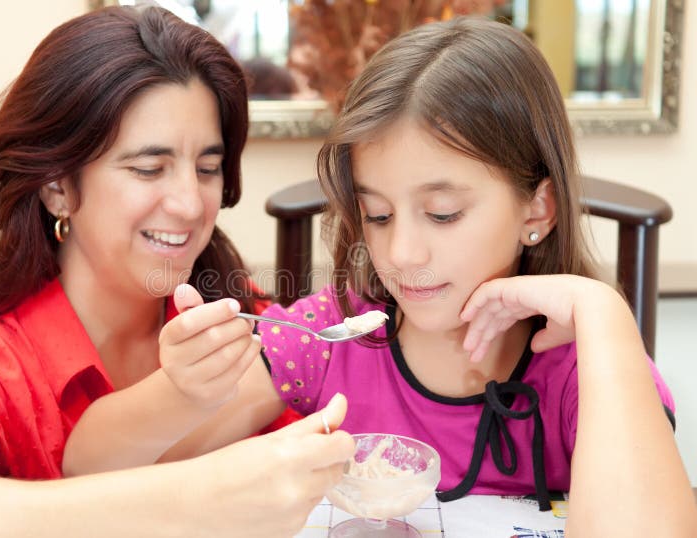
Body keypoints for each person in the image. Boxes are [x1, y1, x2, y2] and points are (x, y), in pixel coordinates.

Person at [63, 17, 696, 536]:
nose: (402, 252)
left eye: (443, 213)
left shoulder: (588, 368)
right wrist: (180, 391)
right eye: (378, 214)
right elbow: (90, 469)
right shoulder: (330, 336)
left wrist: (604, 313)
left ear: (537, 208)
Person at [0, 5, 355, 537]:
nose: (189, 204)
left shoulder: (239, 321)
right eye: (147, 168)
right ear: (56, 187)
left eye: (207, 168)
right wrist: (193, 499)